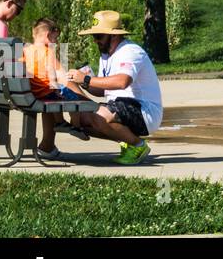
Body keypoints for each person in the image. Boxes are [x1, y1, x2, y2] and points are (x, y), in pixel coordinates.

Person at [64, 11, 164, 165]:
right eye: (94, 36)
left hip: (144, 112)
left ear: (114, 36)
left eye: (99, 36)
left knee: (100, 115)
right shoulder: (106, 55)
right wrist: (80, 82)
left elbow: (122, 82)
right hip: (120, 107)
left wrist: (86, 78)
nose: (95, 41)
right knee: (82, 120)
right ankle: (126, 141)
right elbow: (101, 91)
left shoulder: (131, 51)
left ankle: (138, 146)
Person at [22, 18, 85, 158]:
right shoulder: (48, 52)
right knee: (70, 97)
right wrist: (57, 88)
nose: (56, 42)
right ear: (47, 36)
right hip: (45, 93)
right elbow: (53, 76)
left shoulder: (26, 50)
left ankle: (60, 122)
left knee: (55, 96)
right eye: (55, 38)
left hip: (31, 93)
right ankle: (77, 126)